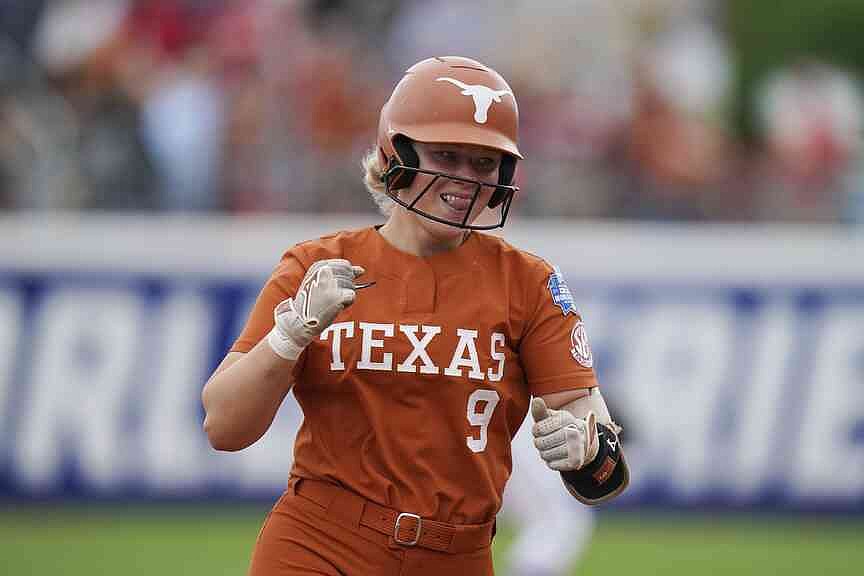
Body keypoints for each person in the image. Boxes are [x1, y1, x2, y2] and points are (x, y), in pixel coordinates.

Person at [201, 56, 629, 576]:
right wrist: (289, 337)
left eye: (484, 163)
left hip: (457, 554)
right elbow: (224, 425)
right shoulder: (317, 266)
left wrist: (587, 450)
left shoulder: (530, 284)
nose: (467, 179)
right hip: (321, 543)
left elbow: (602, 464)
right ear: (394, 153)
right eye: (446, 155)